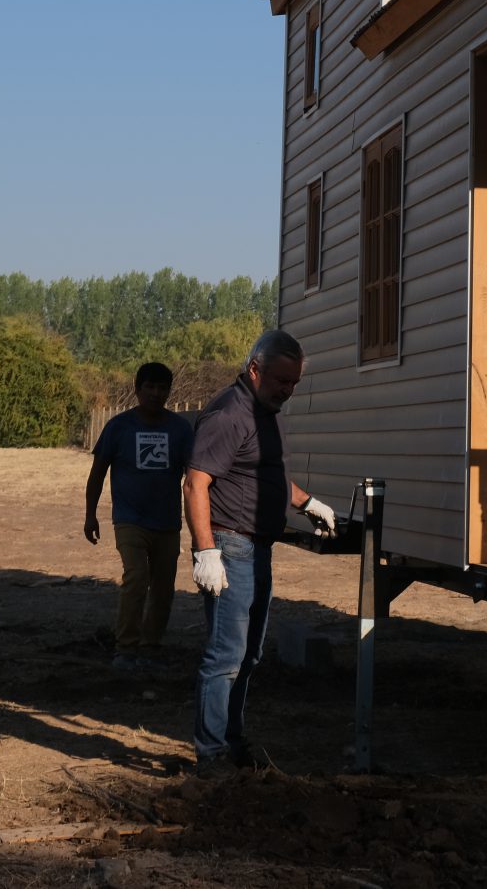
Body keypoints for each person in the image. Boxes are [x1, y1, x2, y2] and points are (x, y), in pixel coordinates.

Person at [185, 329, 336, 772]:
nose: (287, 392)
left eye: (294, 384)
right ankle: (211, 755)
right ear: (255, 369)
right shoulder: (229, 414)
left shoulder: (264, 412)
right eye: (280, 382)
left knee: (249, 654)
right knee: (225, 655)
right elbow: (196, 482)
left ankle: (232, 743)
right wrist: (205, 551)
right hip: (230, 545)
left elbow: (261, 475)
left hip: (258, 547)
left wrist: (307, 503)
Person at [83, 361, 195, 671]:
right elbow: (97, 474)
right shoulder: (118, 427)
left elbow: (195, 477)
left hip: (168, 522)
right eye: (150, 387)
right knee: (136, 578)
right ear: (137, 390)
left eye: (162, 388)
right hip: (130, 520)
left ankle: (150, 649)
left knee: (163, 588)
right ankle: (126, 649)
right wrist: (90, 515)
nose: (156, 394)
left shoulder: (180, 429)